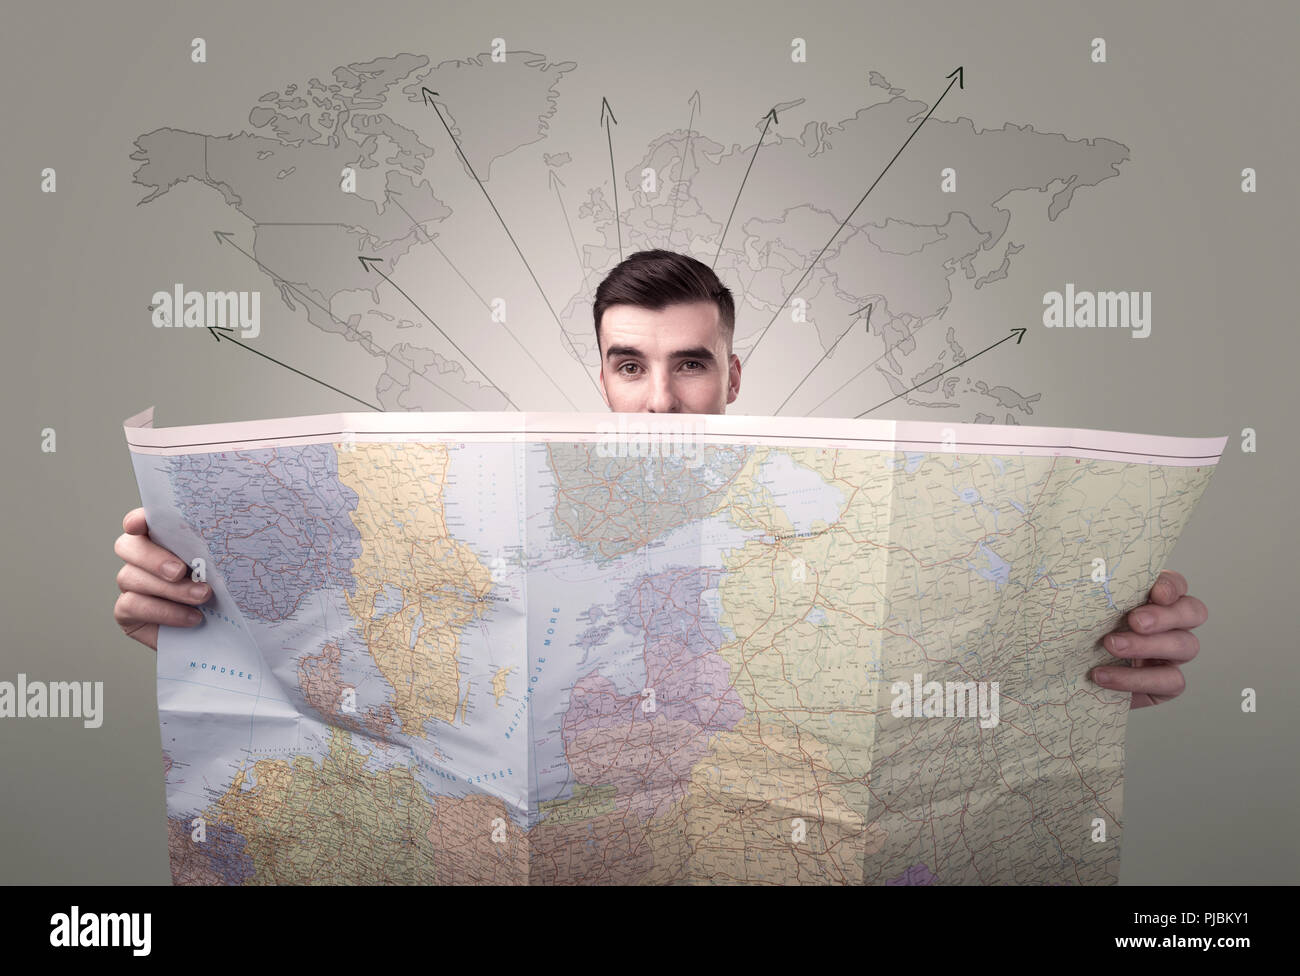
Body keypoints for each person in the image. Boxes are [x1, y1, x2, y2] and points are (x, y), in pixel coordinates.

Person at [114, 249, 1208, 707]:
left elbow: (946, 650)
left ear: (733, 376)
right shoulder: (489, 508)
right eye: (629, 366)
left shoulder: (834, 515)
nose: (657, 399)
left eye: (689, 365)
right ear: (599, 374)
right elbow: (374, 633)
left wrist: (1096, 647)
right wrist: (200, 611)